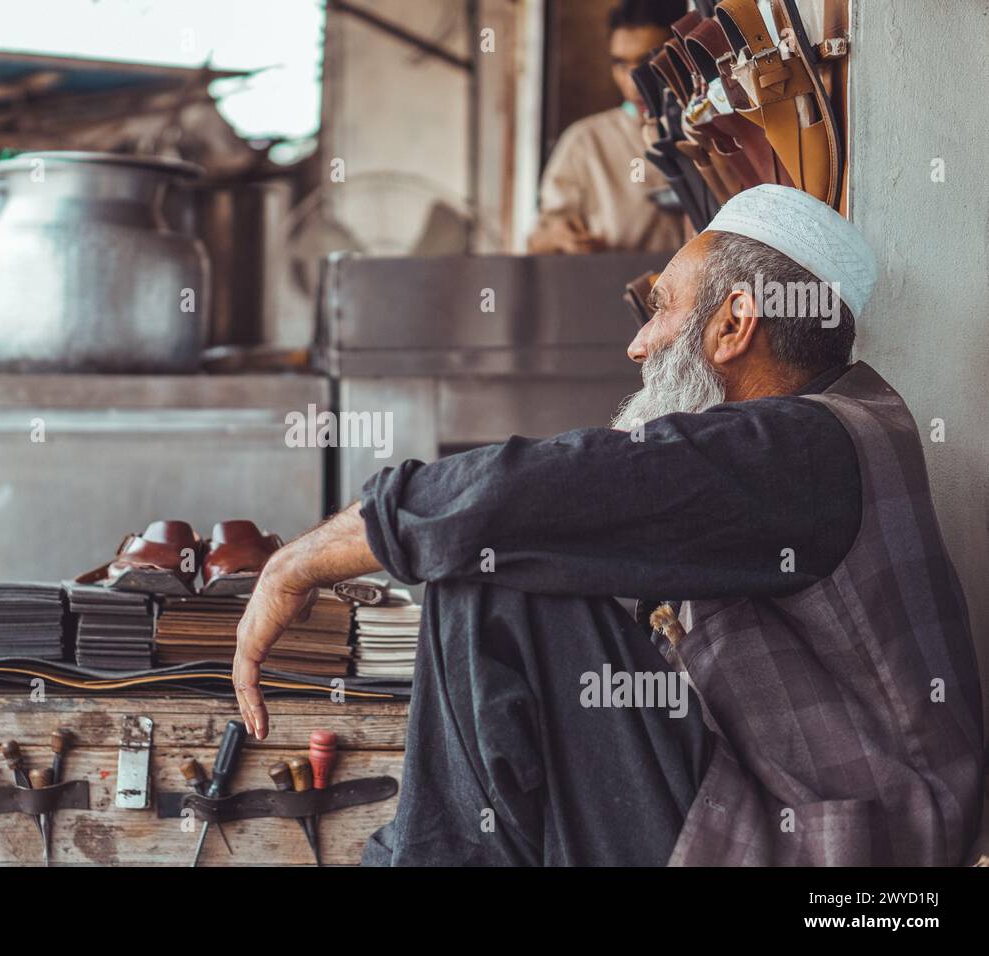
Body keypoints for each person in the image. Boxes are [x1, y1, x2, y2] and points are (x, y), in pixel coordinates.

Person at [232, 184, 984, 866]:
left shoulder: (805, 447)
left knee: (495, 565)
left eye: (659, 307)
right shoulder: (815, 438)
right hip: (781, 814)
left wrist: (296, 563)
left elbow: (526, 495)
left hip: (845, 858)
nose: (638, 344)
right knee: (512, 564)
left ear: (734, 324)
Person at [527, 0, 687, 255]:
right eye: (621, 64)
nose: (634, 83)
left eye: (649, 62)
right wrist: (559, 238)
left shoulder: (716, 134)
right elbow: (539, 240)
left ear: (683, 56)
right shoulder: (585, 142)